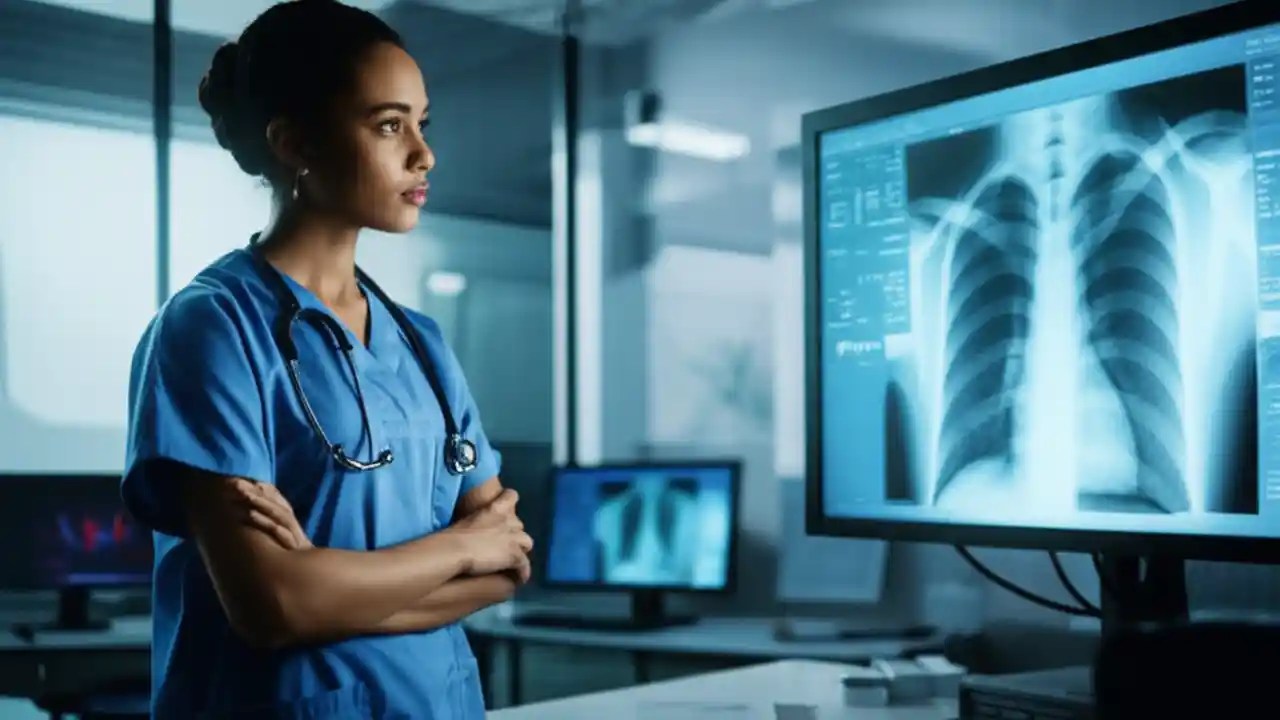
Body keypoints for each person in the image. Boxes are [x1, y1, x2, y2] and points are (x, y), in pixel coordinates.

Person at [121, 2, 533, 717]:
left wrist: (329, 591)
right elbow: (273, 606)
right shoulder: (212, 330)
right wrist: (462, 546)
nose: (423, 154)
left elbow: (510, 564)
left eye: (422, 124)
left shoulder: (421, 345)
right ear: (295, 142)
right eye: (388, 124)